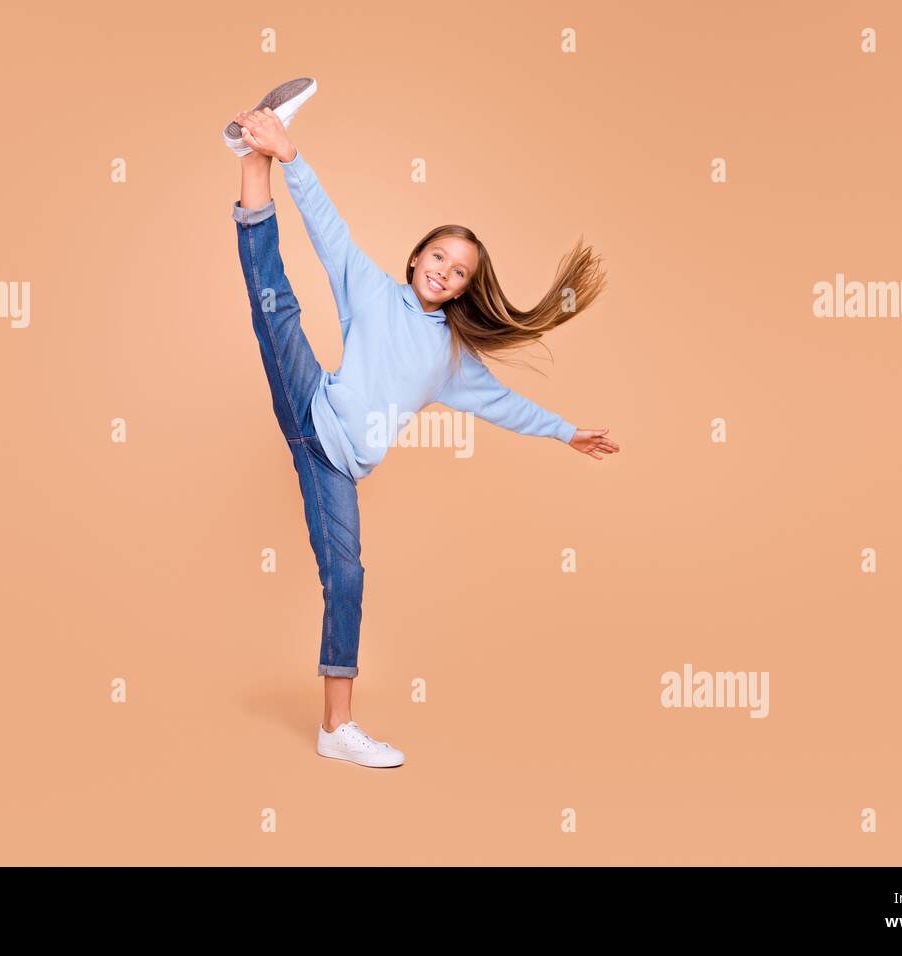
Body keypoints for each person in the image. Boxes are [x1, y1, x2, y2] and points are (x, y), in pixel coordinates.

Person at [226, 78, 618, 768]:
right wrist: (290, 156)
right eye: (438, 256)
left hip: (335, 465)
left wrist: (565, 431)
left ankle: (335, 730)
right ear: (415, 258)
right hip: (311, 404)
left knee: (346, 579)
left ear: (467, 288)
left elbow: (506, 406)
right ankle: (254, 148)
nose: (445, 271)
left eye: (460, 271)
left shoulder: (451, 360)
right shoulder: (374, 292)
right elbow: (329, 230)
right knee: (276, 306)